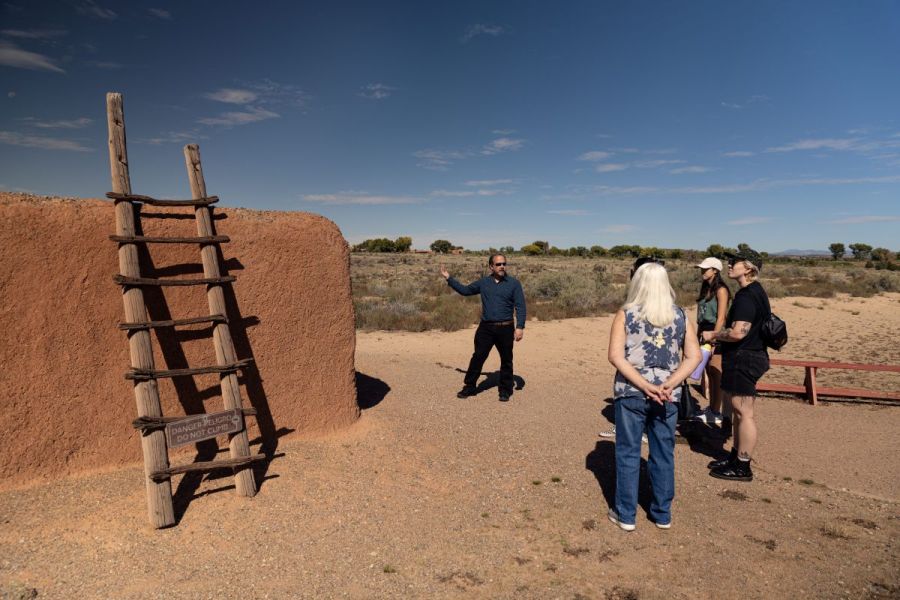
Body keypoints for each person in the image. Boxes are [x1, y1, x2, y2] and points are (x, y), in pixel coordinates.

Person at [606, 262, 701, 531]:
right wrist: (668, 384)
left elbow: (615, 356)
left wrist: (643, 384)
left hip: (631, 392)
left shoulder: (626, 314)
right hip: (668, 395)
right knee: (663, 452)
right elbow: (693, 357)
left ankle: (625, 514)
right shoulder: (680, 316)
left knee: (627, 451)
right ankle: (662, 513)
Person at [702, 248, 770, 482]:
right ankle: (735, 458)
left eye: (735, 262)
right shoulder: (754, 292)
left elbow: (739, 333)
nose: (729, 265)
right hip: (747, 357)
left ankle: (742, 466)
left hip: (744, 358)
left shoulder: (746, 296)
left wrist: (714, 335)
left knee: (744, 413)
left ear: (749, 268)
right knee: (740, 413)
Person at [440, 254, 526, 402]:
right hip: (486, 328)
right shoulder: (483, 283)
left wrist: (520, 327)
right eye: (498, 264)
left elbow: (520, 306)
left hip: (506, 327)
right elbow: (465, 291)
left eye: (504, 264)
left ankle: (505, 390)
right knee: (478, 357)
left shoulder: (514, 284)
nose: (502, 267)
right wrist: (449, 278)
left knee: (506, 360)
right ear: (491, 267)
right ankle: (470, 387)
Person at [599, 256, 665, 443]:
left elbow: (614, 355)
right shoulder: (675, 311)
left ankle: (638, 429)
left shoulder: (632, 308)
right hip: (658, 373)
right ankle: (629, 427)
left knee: (628, 447)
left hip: (637, 365)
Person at [691, 257, 732, 427]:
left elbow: (721, 317)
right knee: (708, 371)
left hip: (715, 334)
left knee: (715, 372)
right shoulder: (706, 288)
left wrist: (715, 338)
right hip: (703, 332)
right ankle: (711, 409)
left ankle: (716, 411)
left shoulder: (721, 290)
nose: (702, 271)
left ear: (715, 270)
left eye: (706, 269)